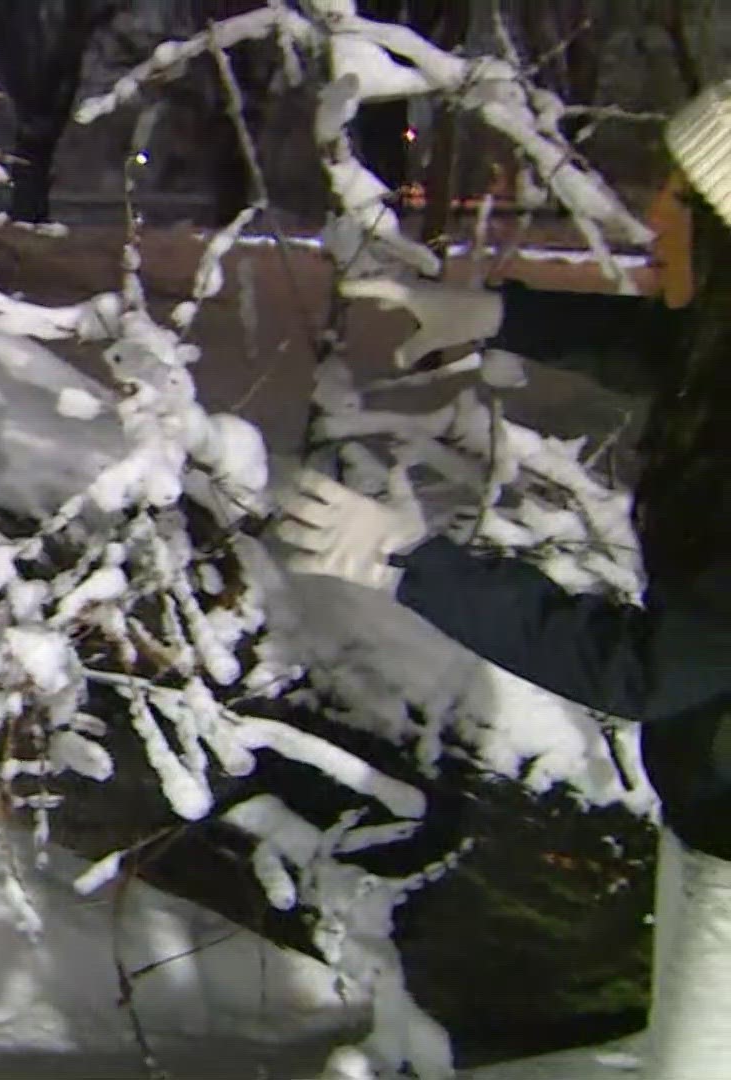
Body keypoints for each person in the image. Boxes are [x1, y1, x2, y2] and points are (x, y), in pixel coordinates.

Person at [276, 81, 731, 1080]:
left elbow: (643, 670)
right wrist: (493, 313)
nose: (654, 215)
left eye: (683, 197)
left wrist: (406, 561)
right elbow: (670, 344)